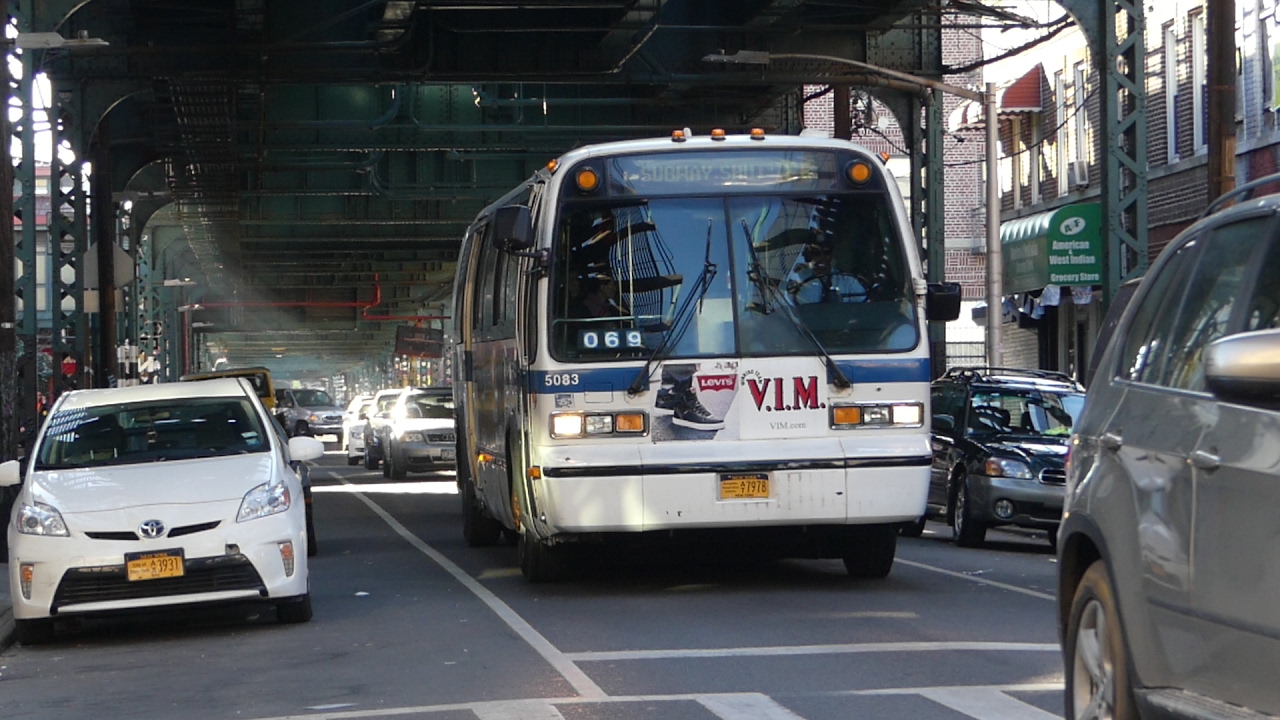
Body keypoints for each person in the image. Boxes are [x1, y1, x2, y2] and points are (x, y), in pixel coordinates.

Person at [785, 242, 867, 304]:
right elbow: (791, 312)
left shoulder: (848, 281)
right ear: (809, 257)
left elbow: (862, 306)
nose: (822, 257)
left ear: (831, 256)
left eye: (827, 252)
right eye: (816, 253)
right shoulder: (797, 284)